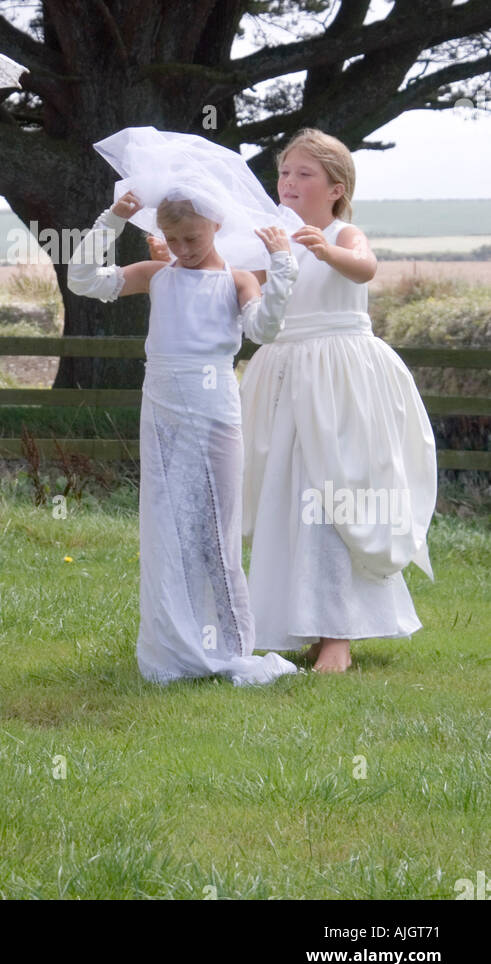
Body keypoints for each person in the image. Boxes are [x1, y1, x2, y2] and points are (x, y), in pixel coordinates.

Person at [68, 157, 300, 687]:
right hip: (162, 409)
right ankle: (174, 644)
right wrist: (111, 220)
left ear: (216, 225)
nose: (182, 249)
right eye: (172, 238)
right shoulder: (157, 275)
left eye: (192, 237)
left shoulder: (238, 279)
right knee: (166, 524)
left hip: (215, 412)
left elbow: (263, 328)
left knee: (213, 527)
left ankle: (231, 644)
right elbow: (84, 281)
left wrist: (281, 264)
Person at [240, 128, 436, 673]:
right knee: (290, 497)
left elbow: (365, 267)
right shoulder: (269, 238)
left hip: (341, 380)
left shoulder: (346, 234)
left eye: (304, 174)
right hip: (285, 377)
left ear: (336, 187)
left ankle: (339, 634)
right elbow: (250, 296)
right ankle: (303, 621)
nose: (289, 182)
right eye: (284, 173)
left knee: (336, 495)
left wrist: (325, 249)